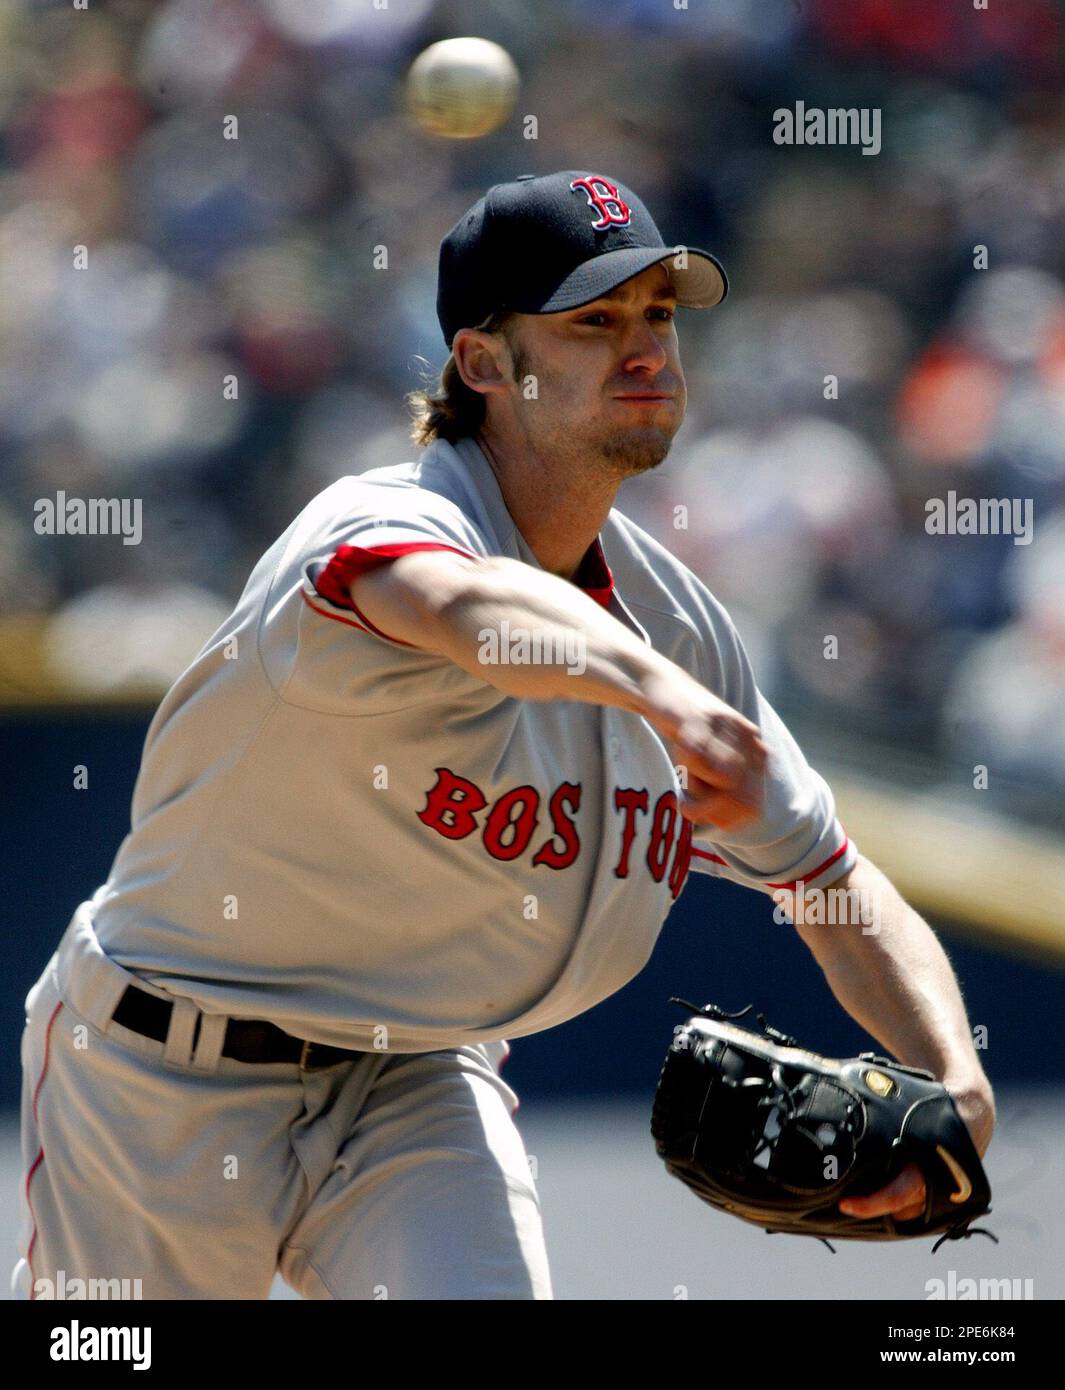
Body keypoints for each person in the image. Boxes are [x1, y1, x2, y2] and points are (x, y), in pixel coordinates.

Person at [15, 171, 994, 1301]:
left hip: (417, 1077)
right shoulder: (384, 524)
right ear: (485, 363)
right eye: (593, 323)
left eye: (659, 316)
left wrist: (954, 1080)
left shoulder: (680, 628)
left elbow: (831, 880)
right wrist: (656, 694)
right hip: (157, 1070)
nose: (645, 351)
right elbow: (470, 614)